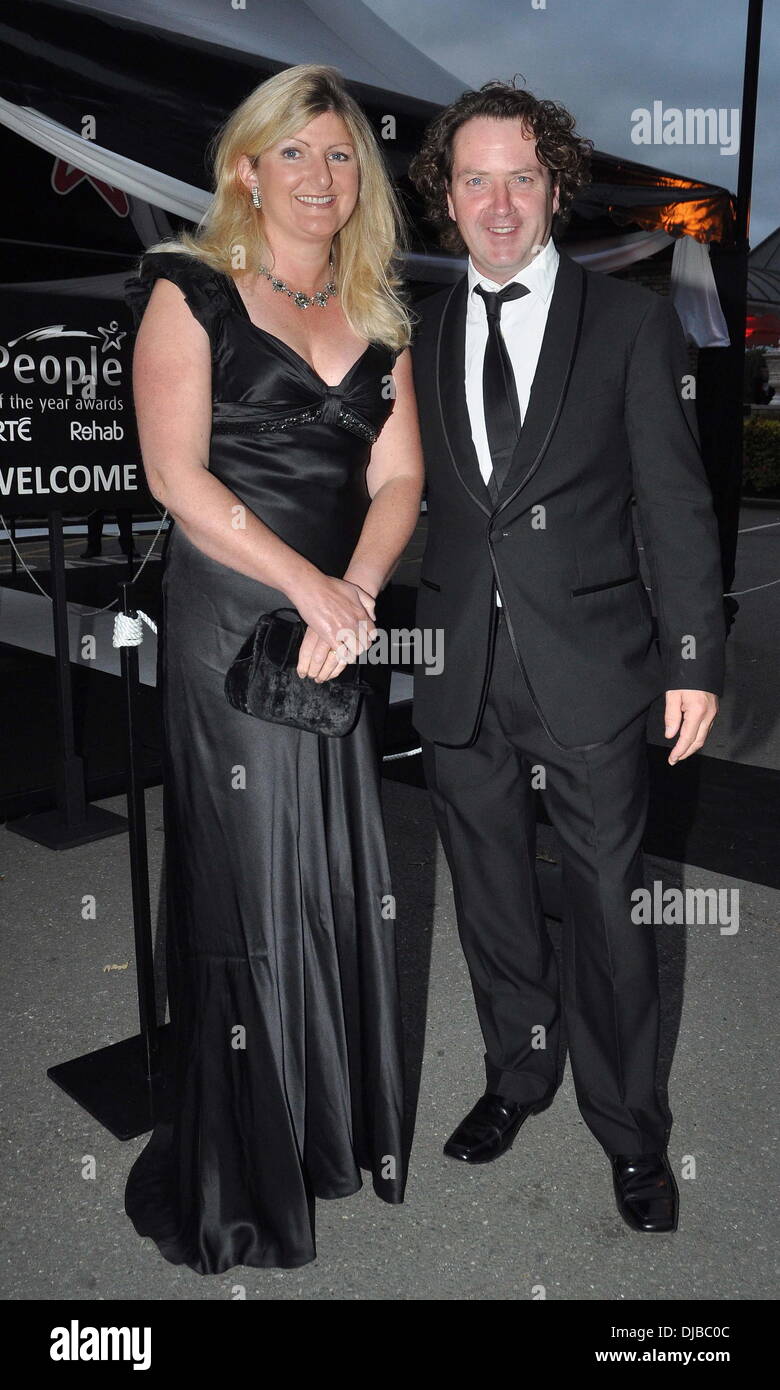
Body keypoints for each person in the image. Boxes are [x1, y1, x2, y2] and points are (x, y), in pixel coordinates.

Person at [408, 80, 725, 1234]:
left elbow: (676, 509)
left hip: (594, 670)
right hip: (460, 672)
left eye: (522, 178)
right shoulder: (423, 330)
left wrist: (692, 657)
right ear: (448, 193)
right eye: (476, 177)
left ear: (557, 190)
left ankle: (633, 1135)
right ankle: (516, 1075)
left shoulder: (633, 324)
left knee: (608, 914)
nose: (499, 202)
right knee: (491, 901)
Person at [123, 64, 424, 1274]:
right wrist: (312, 587)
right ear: (247, 170)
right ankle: (235, 1167)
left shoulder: (381, 312)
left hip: (334, 622)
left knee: (332, 868)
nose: (319, 176)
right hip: (233, 617)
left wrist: (354, 590)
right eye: (293, 154)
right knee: (249, 883)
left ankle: (316, 1130)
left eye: (341, 156)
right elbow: (176, 478)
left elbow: (400, 480)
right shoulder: (188, 293)